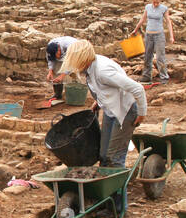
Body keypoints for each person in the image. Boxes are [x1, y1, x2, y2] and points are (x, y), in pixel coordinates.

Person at [59, 39, 146, 168]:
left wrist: (141, 113)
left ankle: (119, 187)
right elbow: (105, 88)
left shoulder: (103, 71)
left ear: (83, 59)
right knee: (103, 154)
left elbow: (138, 89)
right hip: (111, 110)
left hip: (125, 111)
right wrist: (98, 101)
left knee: (114, 157)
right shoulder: (90, 66)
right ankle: (106, 185)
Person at [136, 0, 174, 83]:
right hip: (149, 35)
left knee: (160, 57)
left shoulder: (163, 8)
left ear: (160, 0)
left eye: (157, 2)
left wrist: (171, 36)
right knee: (147, 56)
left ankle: (164, 77)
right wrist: (135, 29)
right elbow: (143, 19)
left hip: (159, 35)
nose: (156, 4)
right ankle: (146, 76)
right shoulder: (148, 7)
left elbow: (168, 22)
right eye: (154, 2)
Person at [45, 36, 76, 101]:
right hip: (65, 54)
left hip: (76, 53)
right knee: (55, 69)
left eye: (56, 55)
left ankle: (74, 95)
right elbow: (51, 60)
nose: (55, 58)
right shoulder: (50, 47)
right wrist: (50, 71)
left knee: (73, 73)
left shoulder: (70, 46)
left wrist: (62, 76)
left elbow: (72, 63)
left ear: (58, 50)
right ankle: (58, 94)